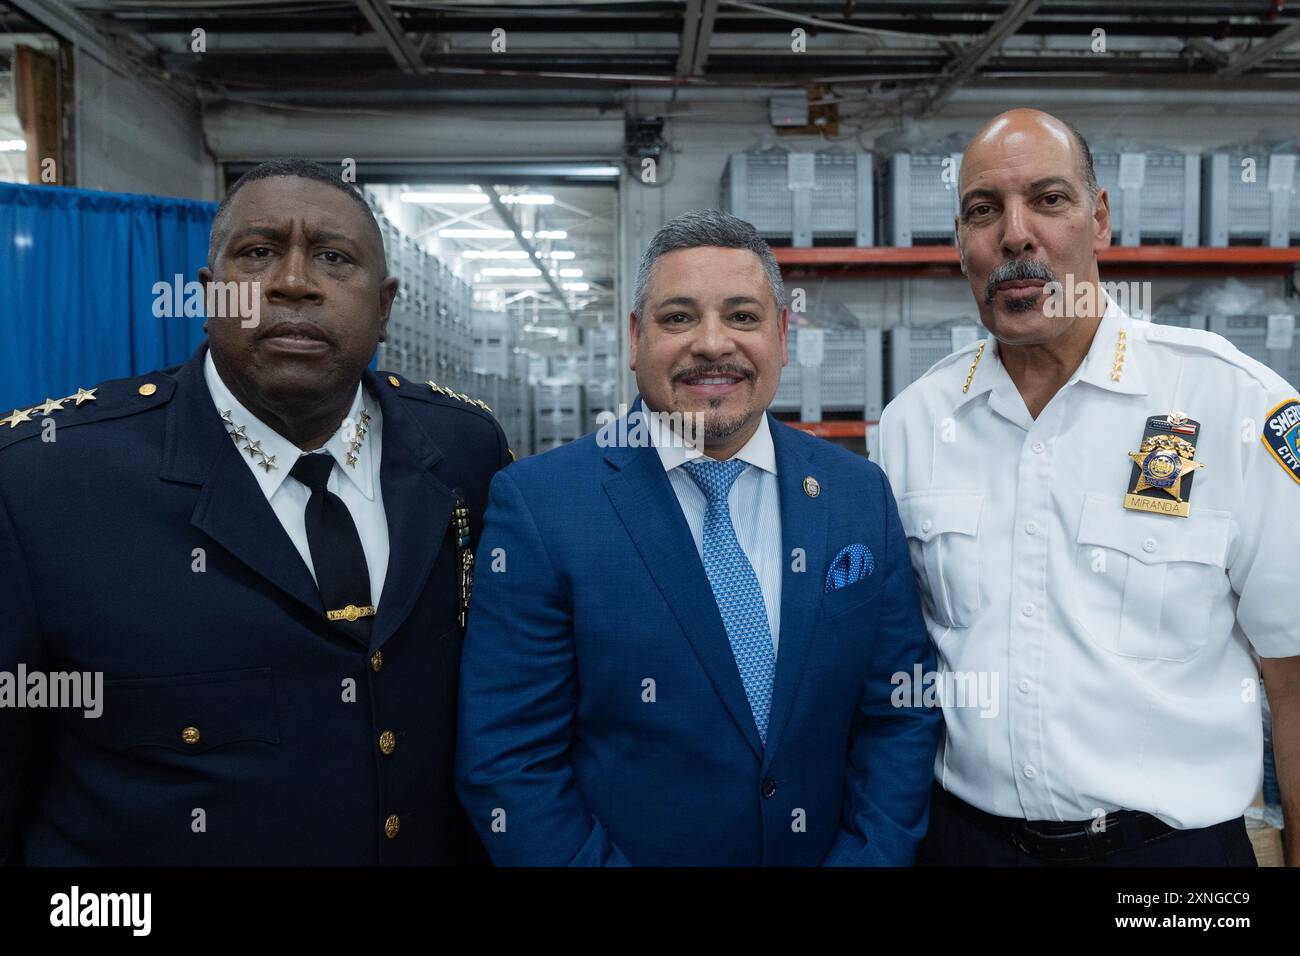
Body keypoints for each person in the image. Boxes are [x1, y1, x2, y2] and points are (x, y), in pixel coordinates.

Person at [0, 159, 507, 865]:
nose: (294, 282)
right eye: (258, 253)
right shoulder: (43, 480)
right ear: (209, 294)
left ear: (385, 304)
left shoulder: (463, 450)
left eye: (334, 258)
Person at [877, 108, 1300, 866]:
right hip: (970, 845)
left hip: (1170, 858)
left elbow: (1293, 677)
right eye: (984, 211)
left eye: (1048, 199)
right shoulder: (914, 426)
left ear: (1099, 218)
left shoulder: (1231, 404)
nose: (1014, 235)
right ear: (960, 243)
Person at [456, 209, 940, 866]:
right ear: (634, 339)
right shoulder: (543, 507)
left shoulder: (857, 495)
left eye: (742, 317)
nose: (712, 344)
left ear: (781, 335)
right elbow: (509, 762)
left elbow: (899, 715)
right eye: (678, 318)